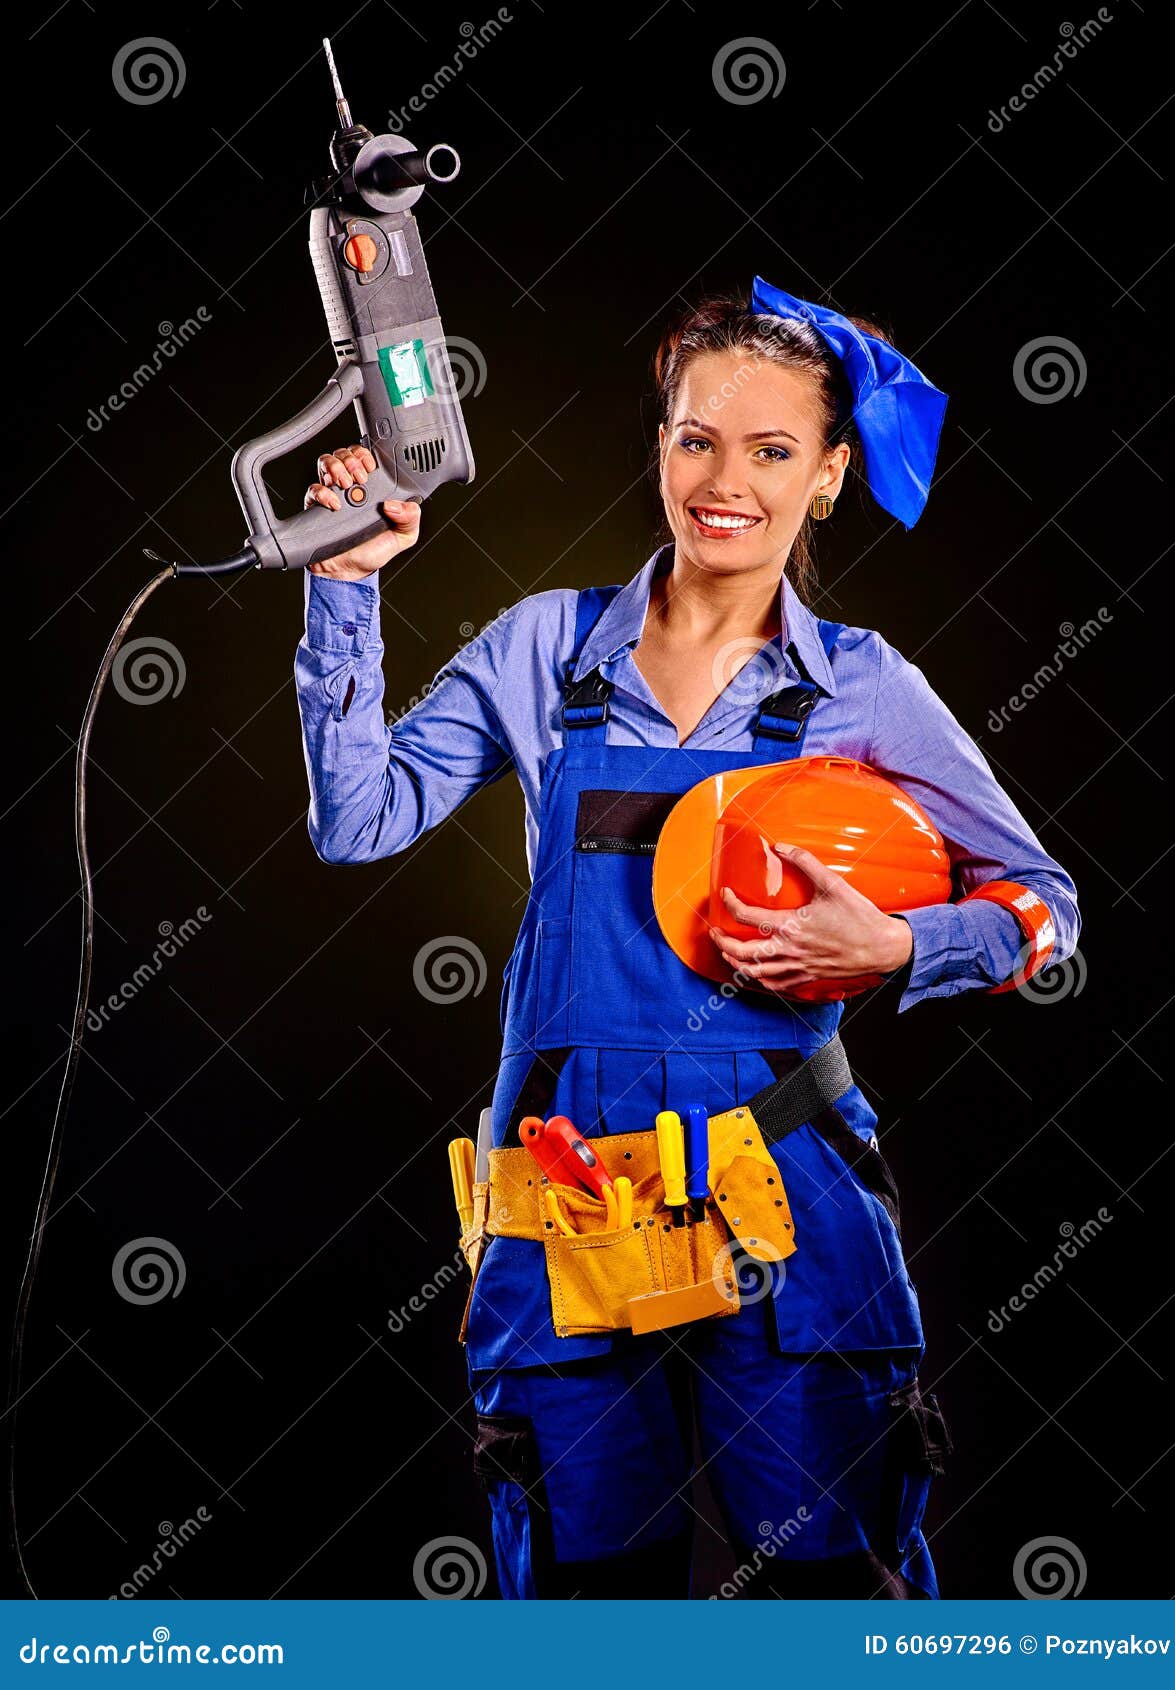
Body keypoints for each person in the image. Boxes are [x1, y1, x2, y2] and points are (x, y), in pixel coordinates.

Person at [294, 278, 1081, 1600]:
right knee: (594, 1607)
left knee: (836, 1605)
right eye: (696, 438)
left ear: (829, 475)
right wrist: (343, 594)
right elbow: (356, 819)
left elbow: (1045, 907)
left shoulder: (863, 685)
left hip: (791, 1207)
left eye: (773, 450)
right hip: (568, 1200)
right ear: (659, 443)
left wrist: (897, 944)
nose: (727, 480)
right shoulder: (544, 647)